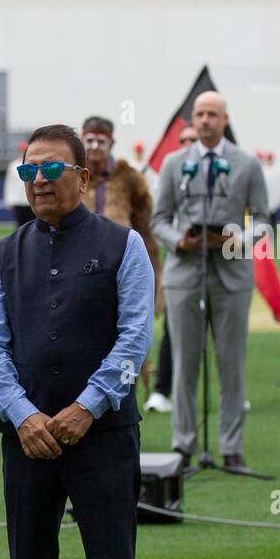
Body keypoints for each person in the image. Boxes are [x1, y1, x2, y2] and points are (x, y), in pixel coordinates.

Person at [0, 124, 154, 559]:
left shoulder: (124, 245)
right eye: (29, 172)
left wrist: (87, 407)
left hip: (101, 433)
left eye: (51, 170)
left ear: (83, 176)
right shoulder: (3, 254)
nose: (39, 182)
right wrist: (23, 415)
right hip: (26, 436)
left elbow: (134, 339)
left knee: (112, 557)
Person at [152, 91, 269, 472]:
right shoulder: (173, 164)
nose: (205, 120)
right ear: (192, 119)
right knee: (185, 363)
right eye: (199, 114)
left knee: (231, 364)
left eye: (212, 115)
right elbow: (159, 220)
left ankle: (231, 449)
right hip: (185, 273)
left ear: (224, 119)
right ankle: (184, 445)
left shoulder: (246, 164)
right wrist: (178, 241)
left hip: (231, 274)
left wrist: (241, 238)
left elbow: (265, 219)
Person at [78, 116, 161, 405]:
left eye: (101, 141)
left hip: (123, 266)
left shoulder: (129, 178)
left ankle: (125, 402)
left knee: (129, 334)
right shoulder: (73, 177)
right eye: (89, 140)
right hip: (81, 271)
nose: (95, 146)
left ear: (111, 142)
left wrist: (152, 272)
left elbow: (145, 226)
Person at [146, 124, 201, 415]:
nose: (187, 144)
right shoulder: (168, 175)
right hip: (180, 262)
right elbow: (158, 219)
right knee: (172, 329)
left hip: (216, 264)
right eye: (183, 140)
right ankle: (162, 391)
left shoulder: (220, 174)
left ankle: (229, 393)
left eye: (192, 140)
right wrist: (178, 240)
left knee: (219, 332)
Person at [2, 140, 32, 227]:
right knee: (20, 225)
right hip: (18, 200)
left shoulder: (32, 164)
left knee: (32, 224)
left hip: (30, 200)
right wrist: (9, 200)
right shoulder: (13, 165)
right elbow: (9, 184)